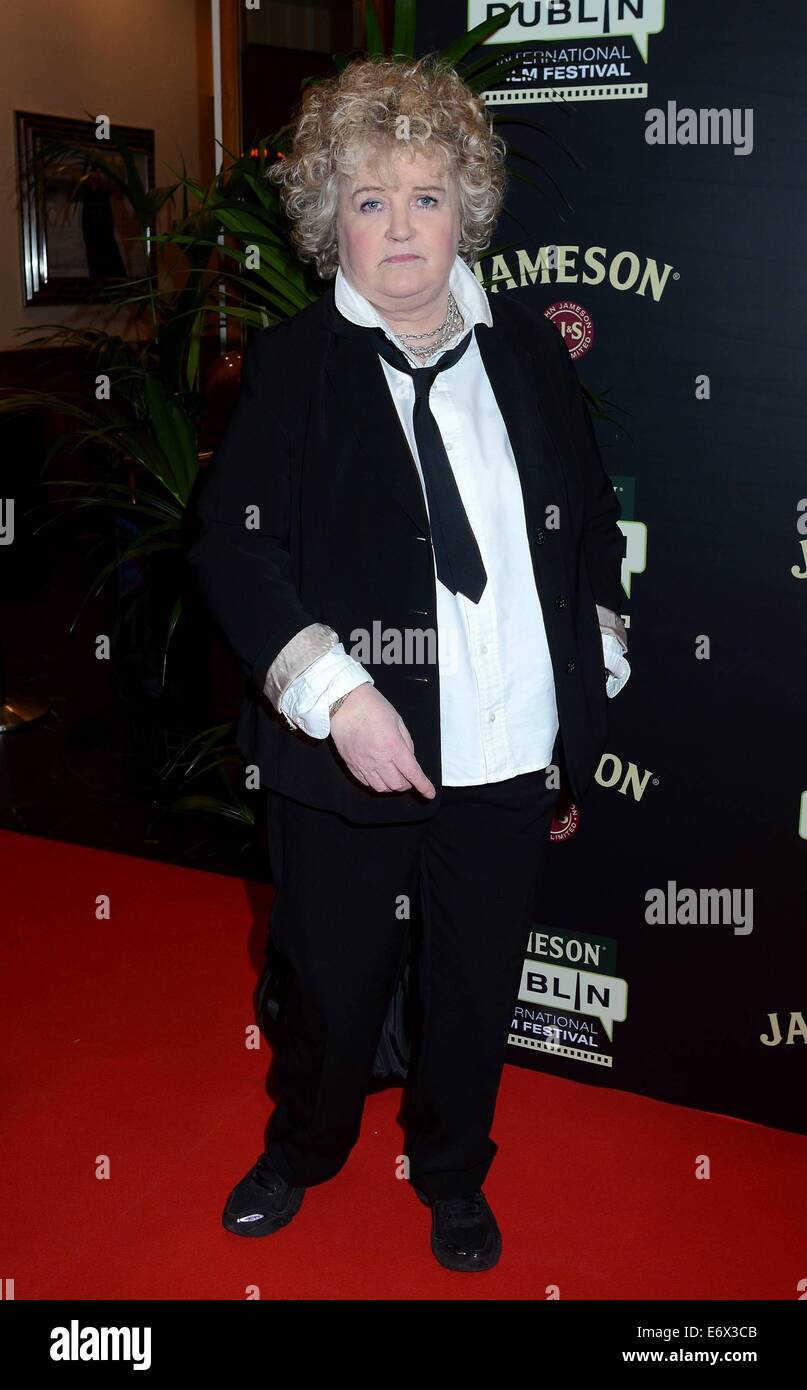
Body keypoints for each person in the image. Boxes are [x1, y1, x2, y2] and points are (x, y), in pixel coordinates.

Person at [187, 53, 630, 1274]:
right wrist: (337, 693)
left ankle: (450, 1168)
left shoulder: (533, 356)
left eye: (425, 197)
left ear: (464, 214)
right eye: (370, 199)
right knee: (328, 979)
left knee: (477, 982)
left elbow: (589, 523)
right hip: (352, 754)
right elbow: (230, 549)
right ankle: (306, 1147)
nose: (398, 227)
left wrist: (589, 663)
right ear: (333, 218)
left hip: (504, 749)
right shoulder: (290, 369)